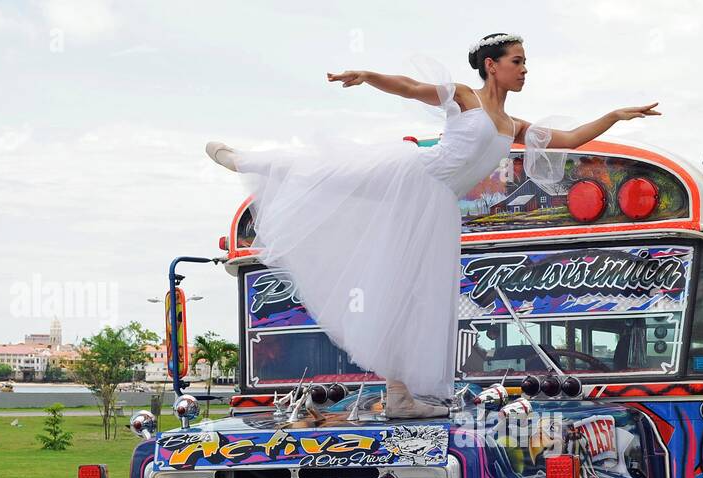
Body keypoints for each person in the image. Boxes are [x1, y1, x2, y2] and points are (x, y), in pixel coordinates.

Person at [206, 32, 660, 418]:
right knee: (335, 173)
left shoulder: (512, 123)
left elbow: (569, 138)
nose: (525, 70)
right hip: (418, 176)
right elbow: (410, 87)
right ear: (491, 65)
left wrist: (614, 116)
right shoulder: (467, 98)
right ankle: (243, 160)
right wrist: (367, 76)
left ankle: (399, 394)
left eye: (525, 62)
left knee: (417, 293)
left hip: (439, 206)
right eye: (517, 62)